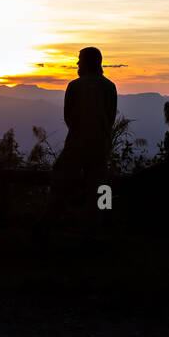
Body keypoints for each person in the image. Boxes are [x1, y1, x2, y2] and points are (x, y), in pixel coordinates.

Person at [40, 47, 118, 233]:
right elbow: (111, 117)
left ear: (87, 62)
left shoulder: (74, 86)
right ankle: (99, 226)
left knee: (60, 182)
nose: (77, 63)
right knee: (101, 187)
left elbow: (68, 117)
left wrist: (80, 132)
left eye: (79, 60)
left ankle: (48, 224)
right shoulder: (110, 87)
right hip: (100, 146)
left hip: (75, 145)